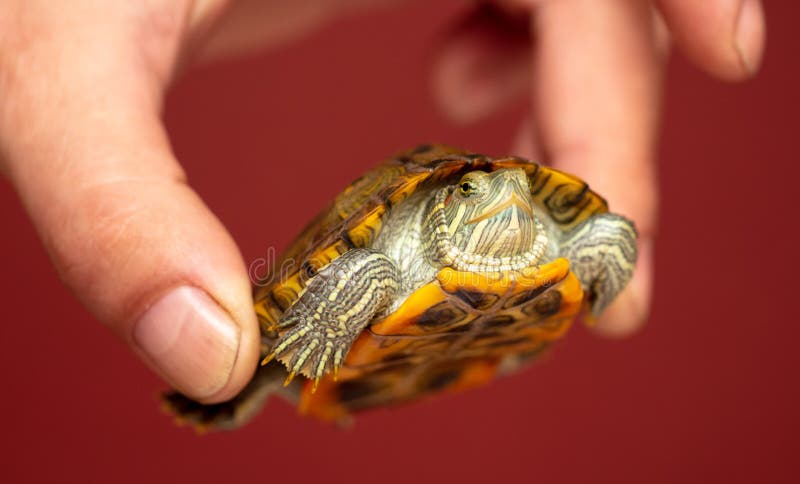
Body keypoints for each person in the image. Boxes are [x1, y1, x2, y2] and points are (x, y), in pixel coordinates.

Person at [0, 0, 765, 404]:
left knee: (608, 229)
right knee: (306, 324)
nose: (505, 195)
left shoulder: (544, 231)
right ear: (447, 207)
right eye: (476, 191)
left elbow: (605, 233)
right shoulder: (402, 250)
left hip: (465, 346)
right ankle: (257, 382)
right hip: (371, 324)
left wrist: (605, 246)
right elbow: (354, 267)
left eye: (515, 191)